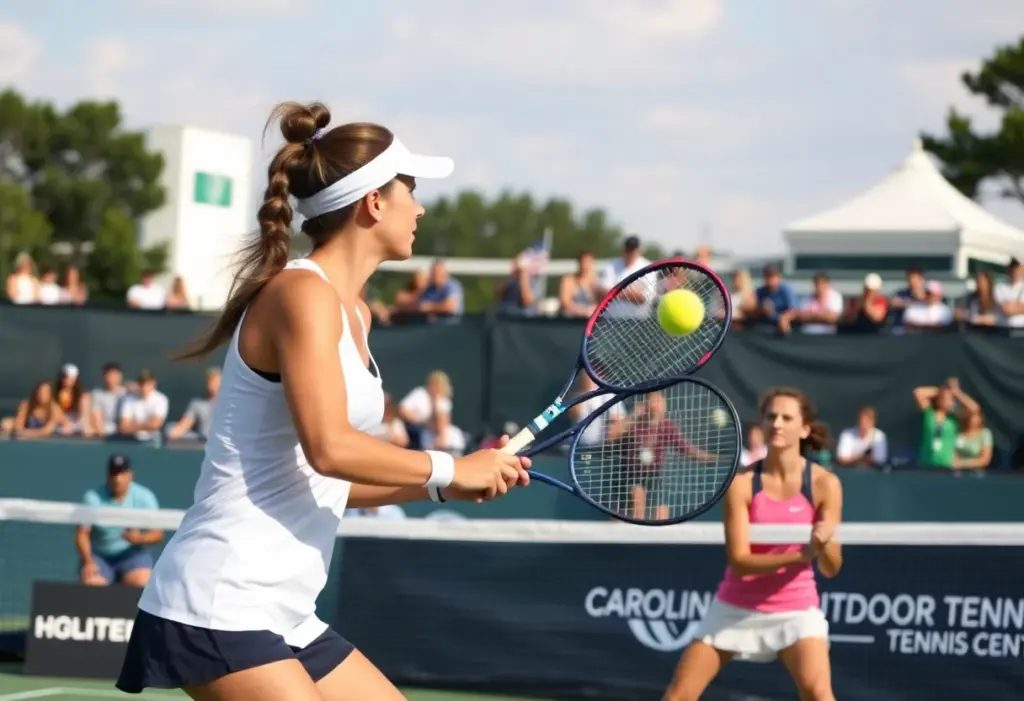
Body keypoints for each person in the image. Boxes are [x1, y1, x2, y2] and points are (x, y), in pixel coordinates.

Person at [115, 101, 532, 700]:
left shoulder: (356, 313)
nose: (420, 206)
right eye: (410, 189)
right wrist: (448, 466)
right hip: (221, 600)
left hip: (285, 611)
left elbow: (325, 479)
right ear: (374, 203)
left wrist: (449, 483)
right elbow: (331, 447)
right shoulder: (300, 296)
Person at [663, 388, 843, 701]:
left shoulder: (825, 484)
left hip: (796, 609)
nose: (777, 423)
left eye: (787, 418)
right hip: (735, 606)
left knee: (818, 693)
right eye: (771, 416)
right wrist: (802, 555)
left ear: (804, 429)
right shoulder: (742, 484)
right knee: (679, 696)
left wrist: (824, 543)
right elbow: (739, 561)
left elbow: (831, 567)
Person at [76, 454, 162, 588]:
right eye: (114, 474)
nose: (117, 479)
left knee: (143, 582)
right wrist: (88, 561)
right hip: (99, 556)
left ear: (130, 475)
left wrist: (140, 538)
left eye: (122, 474)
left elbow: (157, 534)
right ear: (107, 476)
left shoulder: (145, 497)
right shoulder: (92, 498)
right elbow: (82, 534)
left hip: (132, 555)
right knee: (92, 583)